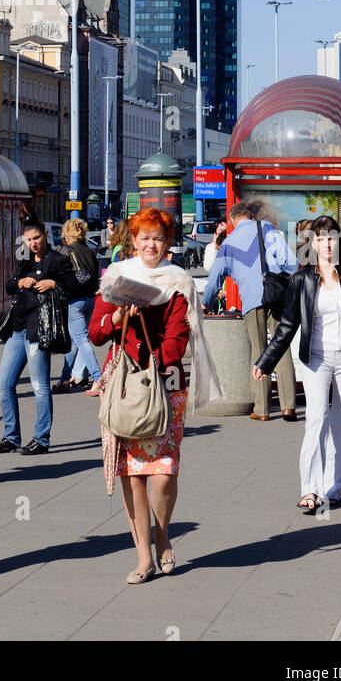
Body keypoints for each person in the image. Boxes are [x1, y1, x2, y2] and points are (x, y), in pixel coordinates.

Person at [89, 208, 213, 584]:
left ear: (168, 242)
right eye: (144, 237)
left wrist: (157, 363)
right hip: (125, 389)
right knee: (132, 475)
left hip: (166, 387)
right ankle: (144, 555)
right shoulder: (117, 276)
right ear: (133, 240)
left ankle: (163, 532)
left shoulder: (177, 282)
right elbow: (95, 331)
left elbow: (178, 338)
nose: (151, 245)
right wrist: (116, 317)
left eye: (157, 238)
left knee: (162, 474)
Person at [254, 214, 341, 512]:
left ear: (339, 240)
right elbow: (287, 326)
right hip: (316, 359)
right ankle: (310, 490)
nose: (326, 243)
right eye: (320, 238)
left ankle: (333, 489)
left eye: (331, 237)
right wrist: (266, 361)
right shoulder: (301, 280)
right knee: (316, 419)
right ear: (312, 243)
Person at [0, 217, 76, 457]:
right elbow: (8, 285)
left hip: (40, 329)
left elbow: (74, 286)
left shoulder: (59, 260)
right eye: (28, 240)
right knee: (3, 384)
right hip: (18, 327)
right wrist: (20, 281)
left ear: (45, 234)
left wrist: (53, 283)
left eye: (36, 238)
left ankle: (41, 439)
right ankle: (11, 436)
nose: (33, 243)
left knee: (39, 386)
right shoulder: (23, 259)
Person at [203, 200, 297, 421]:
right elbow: (290, 262)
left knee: (259, 349)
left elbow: (215, 277)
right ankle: (288, 406)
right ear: (251, 216)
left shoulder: (228, 243)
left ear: (233, 220)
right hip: (276, 297)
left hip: (252, 302)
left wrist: (207, 301)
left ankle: (263, 409)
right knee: (280, 346)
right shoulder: (267, 229)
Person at [53, 219, 103, 394]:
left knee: (80, 340)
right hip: (90, 299)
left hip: (73, 301)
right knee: (76, 341)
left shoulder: (65, 251)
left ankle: (98, 378)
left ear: (67, 234)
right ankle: (65, 379)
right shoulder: (90, 251)